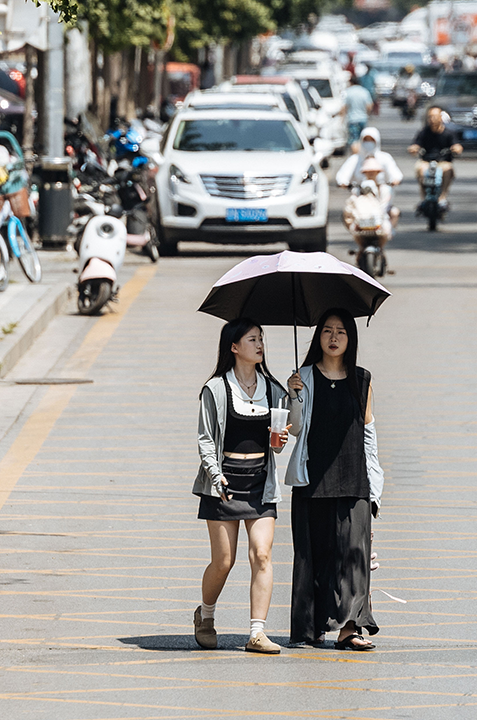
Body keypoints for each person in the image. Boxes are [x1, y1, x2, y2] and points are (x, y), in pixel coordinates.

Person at [286, 309, 385, 651]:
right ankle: (312, 626)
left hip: (353, 478)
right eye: (327, 331)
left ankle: (349, 628)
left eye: (341, 332)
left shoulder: (362, 379)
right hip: (312, 480)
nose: (333, 337)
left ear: (350, 339)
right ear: (318, 338)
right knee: (315, 554)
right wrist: (294, 395)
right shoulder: (305, 377)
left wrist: (376, 487)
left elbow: (369, 433)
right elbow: (295, 429)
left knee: (353, 556)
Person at [193, 318, 290, 654]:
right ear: (234, 347)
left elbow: (279, 444)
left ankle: (257, 633)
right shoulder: (216, 389)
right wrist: (214, 471)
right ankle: (205, 616)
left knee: (262, 554)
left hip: (260, 484)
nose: (260, 345)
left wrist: (297, 399)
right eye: (252, 339)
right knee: (224, 561)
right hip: (224, 483)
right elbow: (206, 438)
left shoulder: (275, 389)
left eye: (262, 339)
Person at [337, 127, 402, 233]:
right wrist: (343, 183)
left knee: (394, 213)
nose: (368, 143)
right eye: (366, 140)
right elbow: (342, 175)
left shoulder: (385, 158)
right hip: (360, 195)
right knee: (348, 212)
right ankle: (357, 235)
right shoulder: (355, 159)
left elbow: (396, 174)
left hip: (381, 196)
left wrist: (395, 180)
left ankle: (386, 234)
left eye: (371, 140)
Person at [407, 106, 463, 205]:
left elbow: (457, 145)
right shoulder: (424, 132)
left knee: (448, 170)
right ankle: (424, 197)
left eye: (435, 116)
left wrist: (457, 149)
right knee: (420, 169)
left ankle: (442, 196)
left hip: (443, 162)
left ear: (441, 118)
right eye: (430, 117)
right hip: (426, 161)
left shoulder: (449, 133)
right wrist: (413, 148)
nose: (432, 119)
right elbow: (416, 144)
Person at [343, 77, 374, 149]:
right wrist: (367, 114)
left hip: (352, 119)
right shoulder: (364, 91)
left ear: (351, 82)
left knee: (354, 140)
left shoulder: (348, 92)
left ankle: (355, 156)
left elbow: (344, 106)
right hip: (363, 119)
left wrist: (342, 117)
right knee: (362, 139)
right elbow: (369, 106)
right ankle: (362, 154)